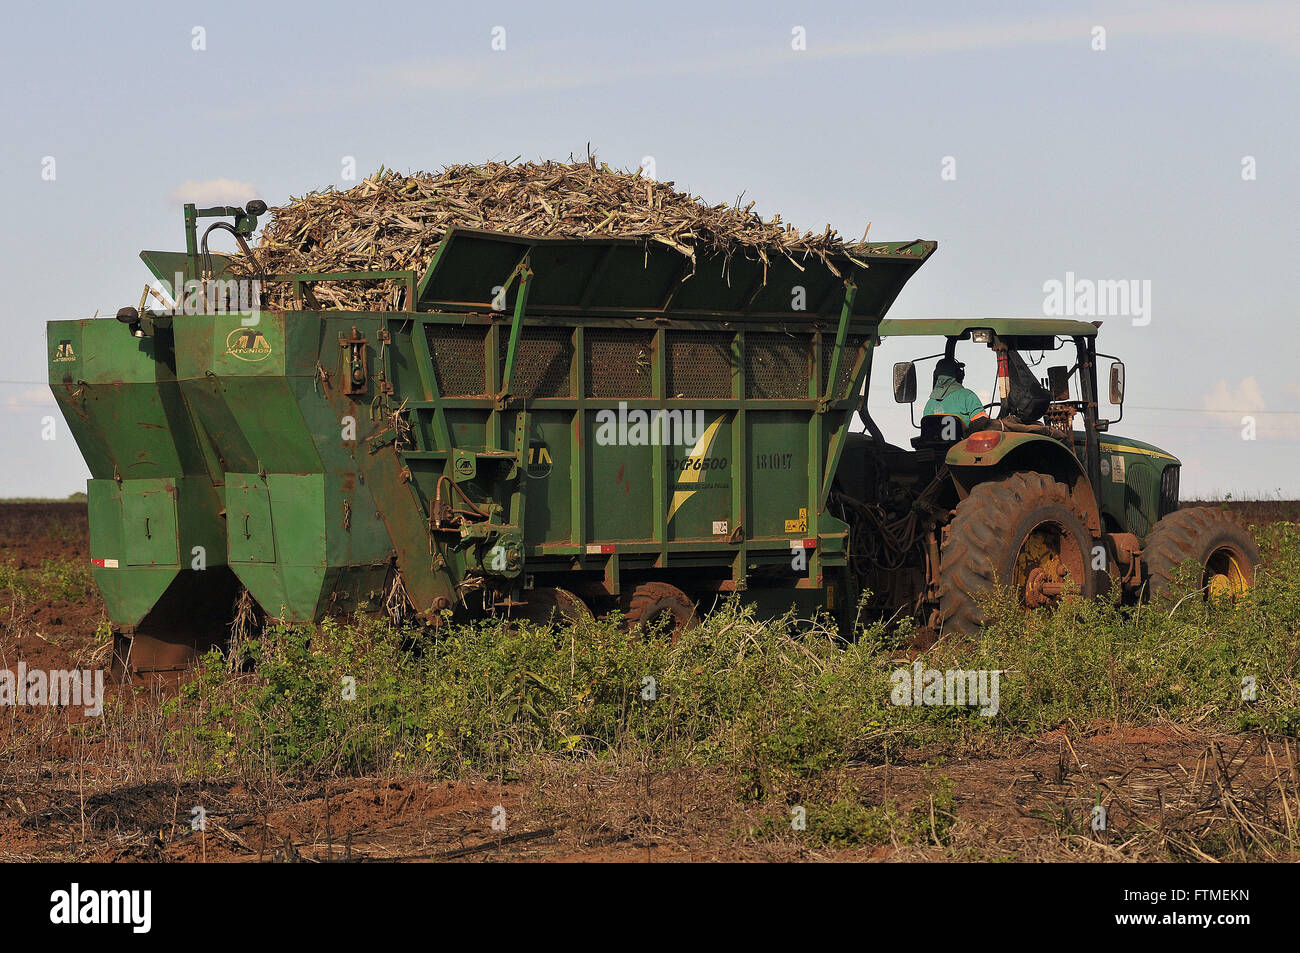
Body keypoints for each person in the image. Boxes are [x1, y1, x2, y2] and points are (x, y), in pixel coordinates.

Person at [923, 357, 988, 428]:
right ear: (959, 375)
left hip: (933, 439)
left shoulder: (929, 404)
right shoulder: (967, 396)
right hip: (963, 438)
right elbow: (982, 421)